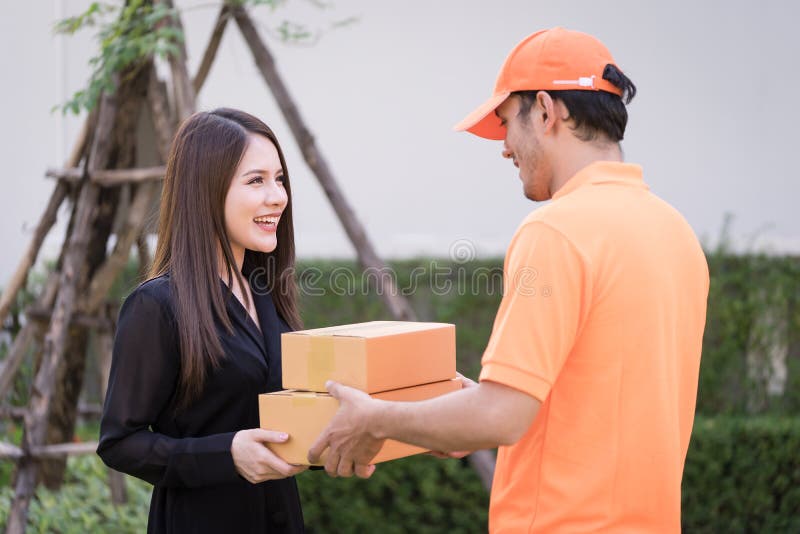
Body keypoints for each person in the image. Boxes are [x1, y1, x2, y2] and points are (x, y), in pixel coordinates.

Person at [308, 27, 710, 533]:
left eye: (505, 124)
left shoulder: (557, 230)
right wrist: (462, 412)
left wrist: (375, 417)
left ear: (545, 110)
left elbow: (502, 416)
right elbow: (576, 400)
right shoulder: (675, 232)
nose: (504, 150)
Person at [98, 108, 307, 533]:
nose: (278, 196)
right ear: (204, 190)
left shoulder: (267, 292)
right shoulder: (156, 305)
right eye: (256, 180)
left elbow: (285, 425)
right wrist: (226, 454)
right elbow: (120, 443)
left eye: (280, 179)